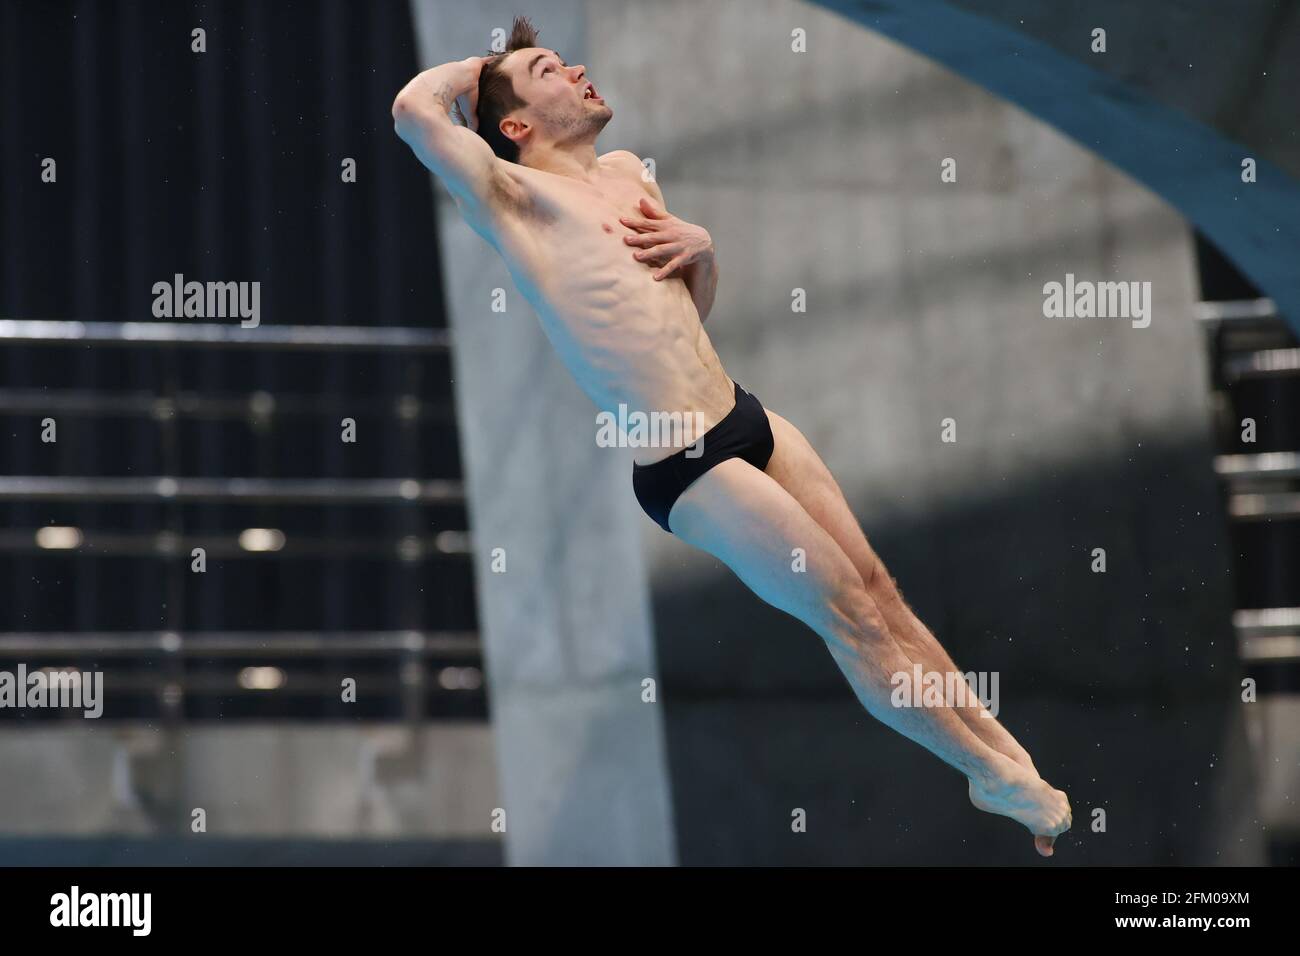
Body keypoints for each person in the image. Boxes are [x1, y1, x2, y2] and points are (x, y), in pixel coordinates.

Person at [393, 16, 1071, 856]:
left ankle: (1004, 754)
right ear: (516, 124)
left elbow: (678, 317)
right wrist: (484, 66)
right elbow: (413, 110)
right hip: (686, 467)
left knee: (881, 589)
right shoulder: (513, 197)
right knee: (852, 618)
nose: (577, 71)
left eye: (568, 59)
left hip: (743, 416)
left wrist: (703, 254)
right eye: (548, 70)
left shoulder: (626, 172)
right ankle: (986, 775)